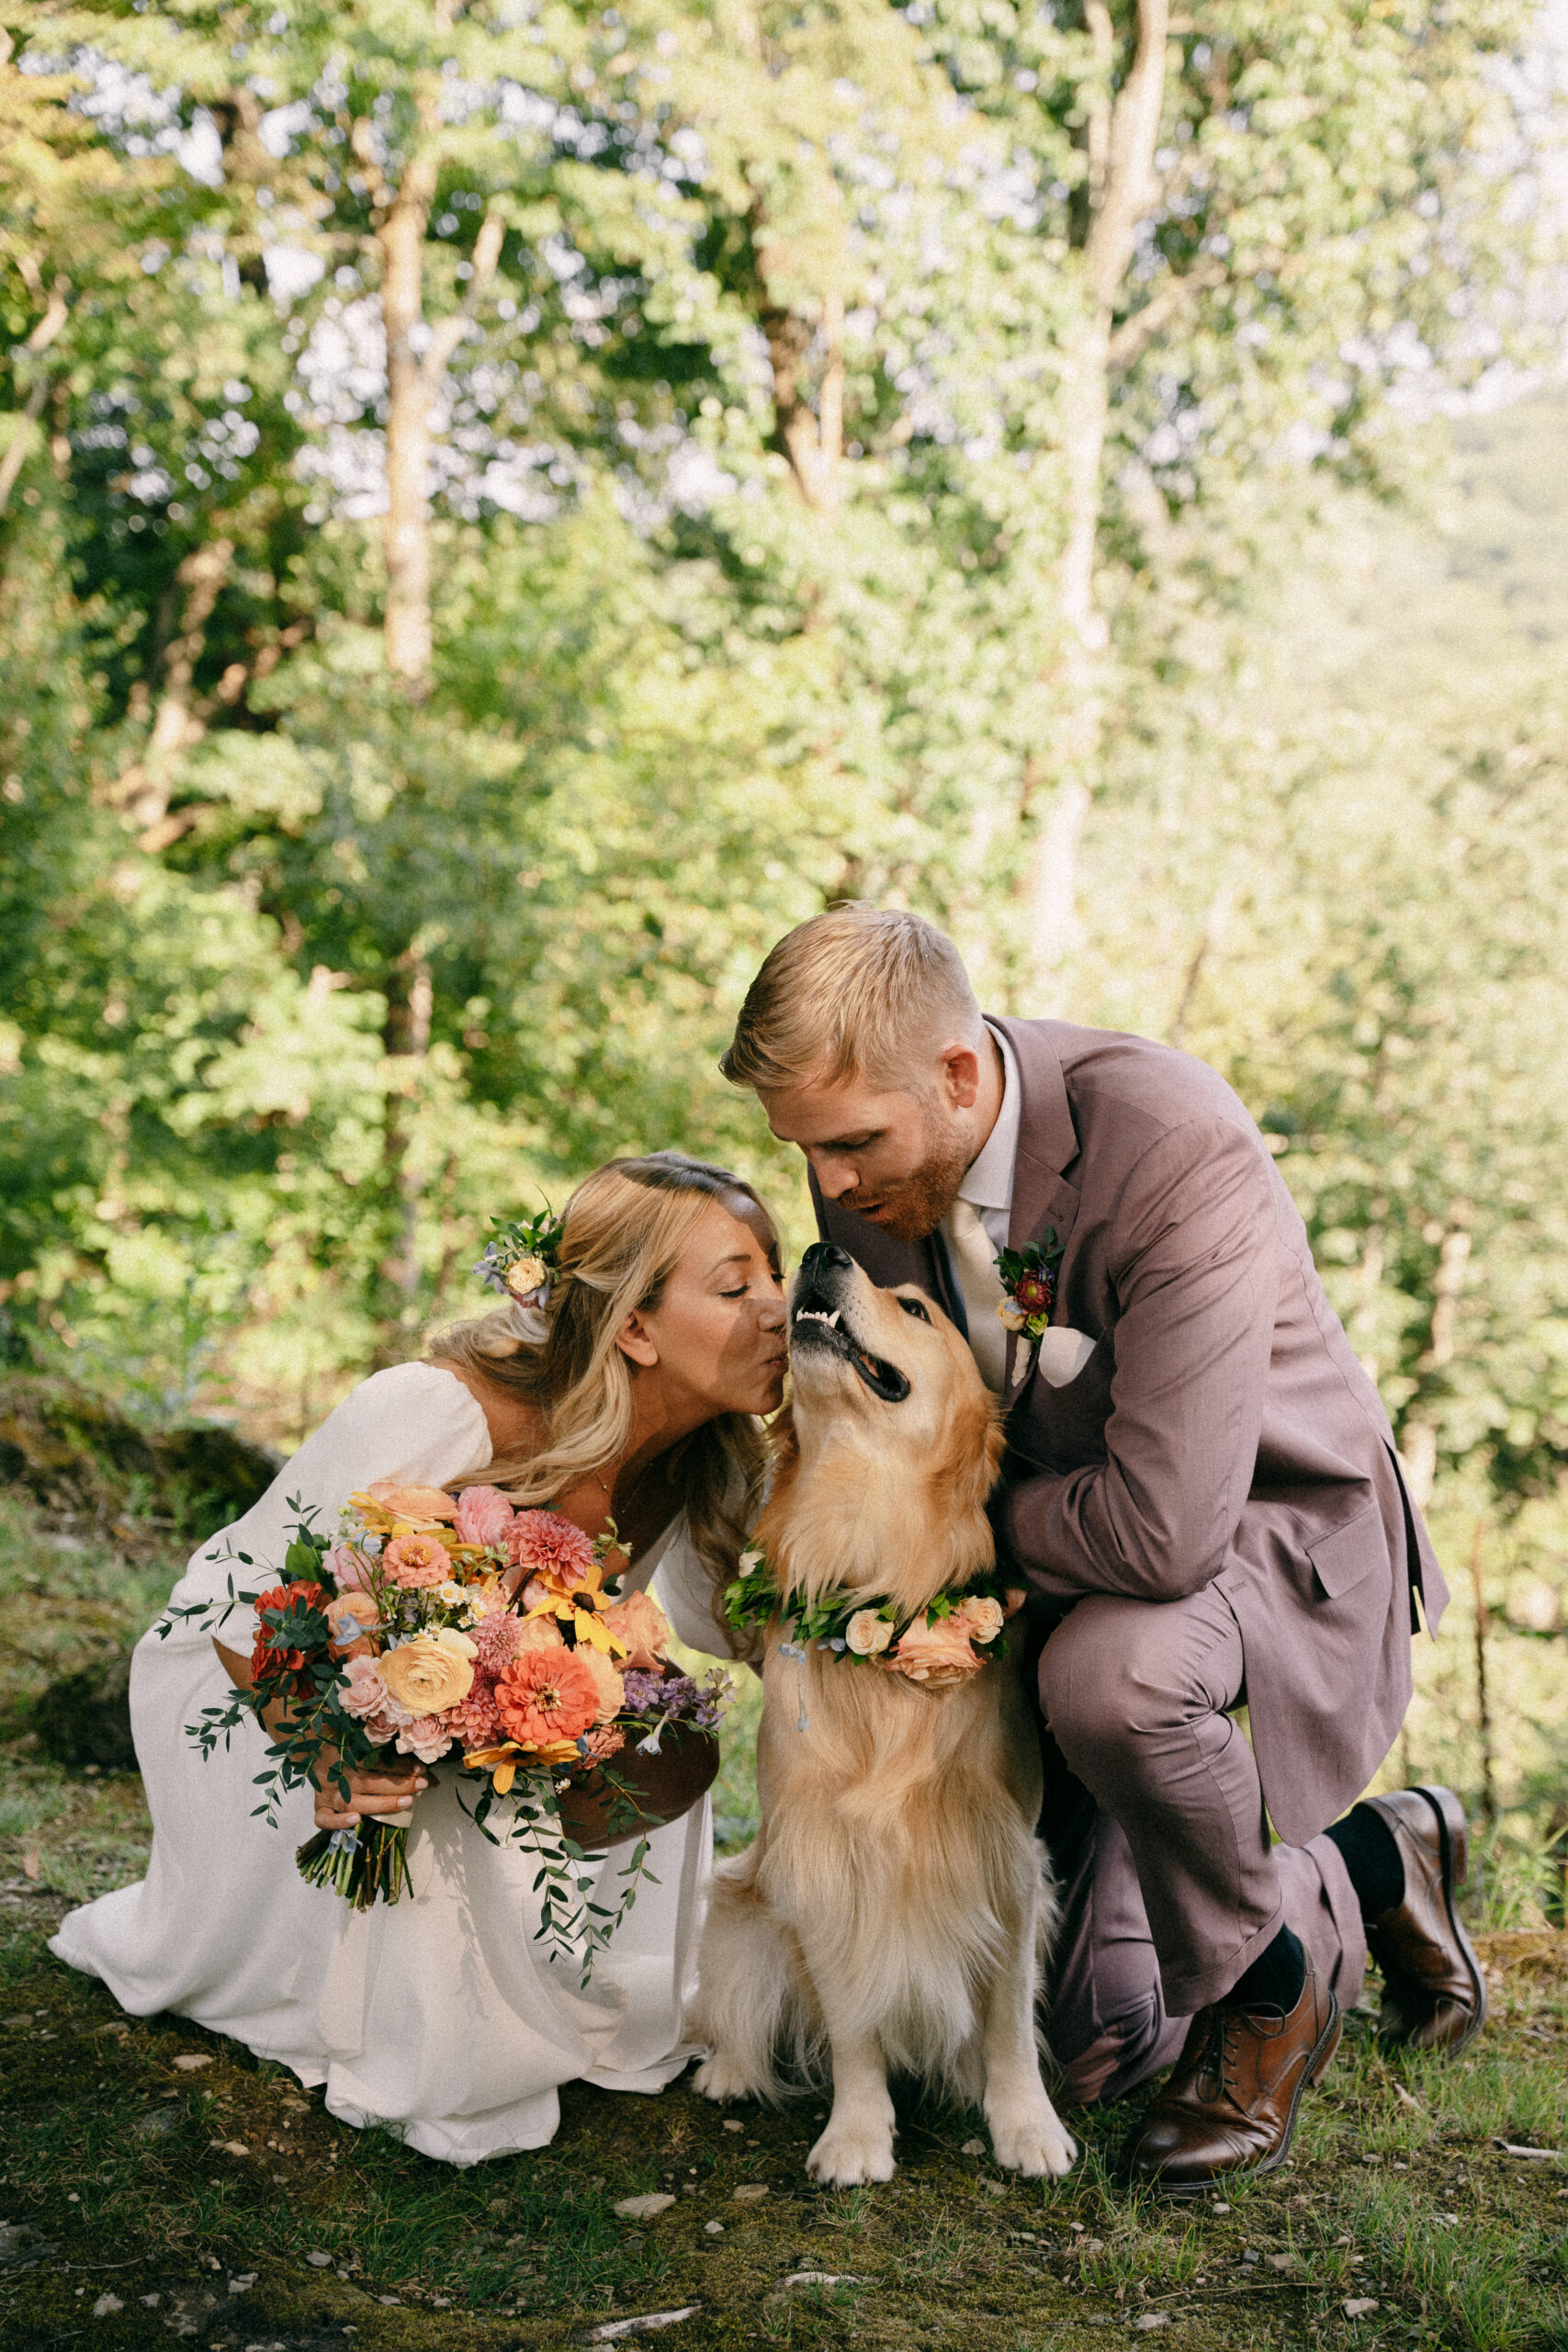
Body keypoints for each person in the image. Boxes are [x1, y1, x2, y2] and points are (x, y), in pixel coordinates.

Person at [718, 904, 1485, 2191]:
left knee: (1111, 1682)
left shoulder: (1171, 1145)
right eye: (806, 1150)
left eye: (850, 1144)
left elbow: (1164, 1531)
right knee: (1090, 2045)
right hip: (1048, 1560)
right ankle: (1373, 1860)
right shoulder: (871, 1154)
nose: (832, 1187)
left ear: (957, 1075)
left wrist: (946, 1542)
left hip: (1252, 1527)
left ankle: (1269, 1988)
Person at [51, 1153, 787, 2165]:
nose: (780, 1308)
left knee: (666, 1727)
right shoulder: (439, 1411)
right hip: (251, 1689)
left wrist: (910, 1638)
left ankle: (577, 1983)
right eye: (737, 1287)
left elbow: (745, 1630)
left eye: (779, 1271)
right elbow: (237, 1598)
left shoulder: (712, 1459)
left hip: (435, 1700)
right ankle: (415, 2024)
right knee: (439, 1746)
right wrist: (327, 1750)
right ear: (635, 1327)